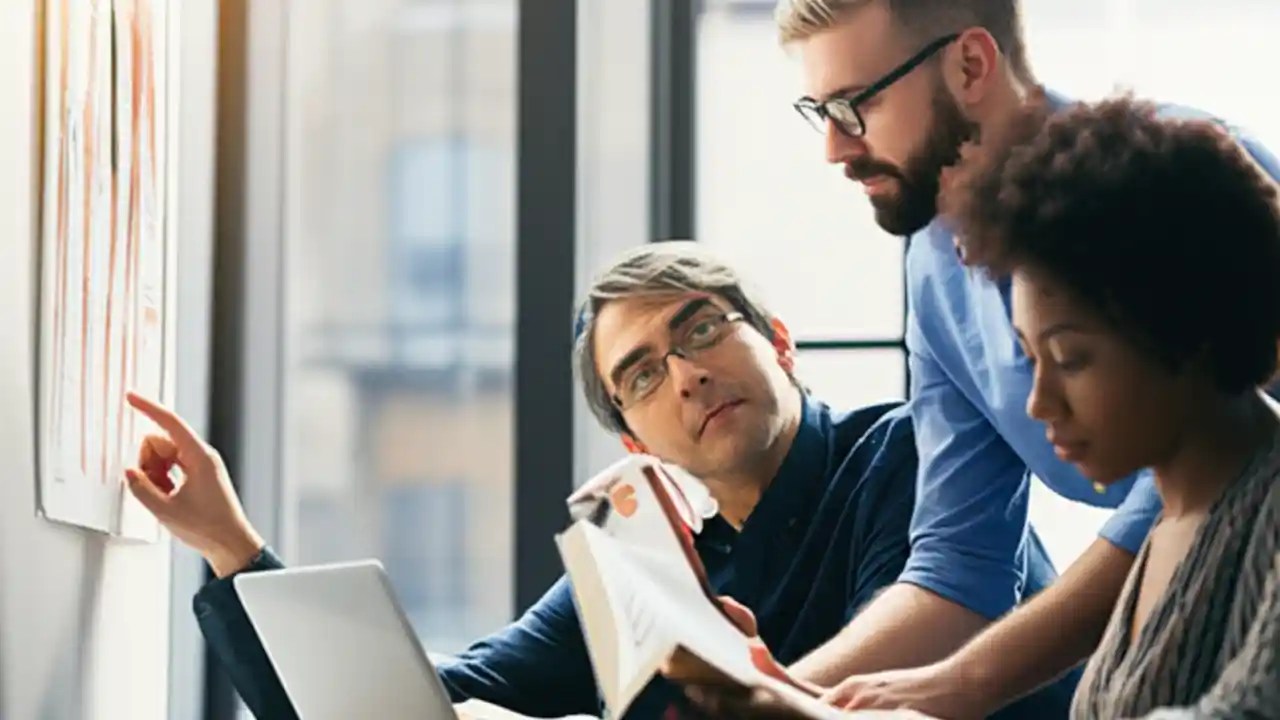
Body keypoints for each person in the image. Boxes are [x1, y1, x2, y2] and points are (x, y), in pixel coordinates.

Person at [697, 1, 1280, 717]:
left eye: (856, 105)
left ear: (970, 64)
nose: (835, 149)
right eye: (819, 112)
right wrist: (784, 693)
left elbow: (1207, 466)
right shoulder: (933, 269)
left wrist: (967, 680)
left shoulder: (1182, 179)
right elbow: (959, 562)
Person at [123, 242, 939, 720]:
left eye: (700, 328)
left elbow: (897, 693)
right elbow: (432, 703)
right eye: (644, 375)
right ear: (633, 439)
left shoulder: (905, 455)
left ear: (780, 343)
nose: (687, 374)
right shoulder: (643, 564)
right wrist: (231, 546)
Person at [942, 93, 1280, 718]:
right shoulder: (1171, 523)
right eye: (1029, 356)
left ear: (1187, 328)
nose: (1040, 404)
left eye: (1071, 358)